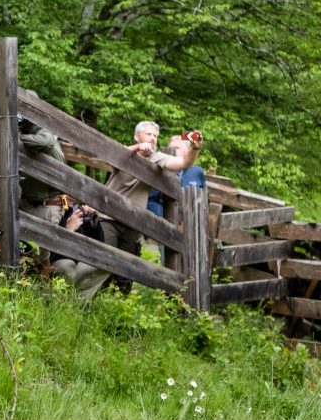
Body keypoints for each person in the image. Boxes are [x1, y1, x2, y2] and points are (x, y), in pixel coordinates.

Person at [17, 119, 110, 298]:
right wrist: (68, 229)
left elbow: (96, 243)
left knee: (47, 260)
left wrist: (91, 220)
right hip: (34, 208)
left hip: (48, 211)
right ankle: (42, 298)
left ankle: (63, 301)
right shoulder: (68, 211)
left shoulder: (45, 135)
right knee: (40, 259)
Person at [99, 121, 203, 270]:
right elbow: (106, 155)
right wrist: (136, 149)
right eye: (149, 134)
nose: (153, 138)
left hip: (132, 222)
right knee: (104, 262)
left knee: (125, 272)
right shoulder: (124, 152)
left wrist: (195, 148)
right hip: (108, 217)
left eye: (155, 135)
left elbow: (183, 163)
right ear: (136, 136)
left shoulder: (157, 158)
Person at [146, 134, 207, 218]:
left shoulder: (197, 172)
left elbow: (204, 199)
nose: (172, 150)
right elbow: (151, 200)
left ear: (188, 150)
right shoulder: (159, 169)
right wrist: (163, 222)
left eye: (177, 148)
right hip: (164, 221)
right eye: (170, 148)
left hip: (191, 222)